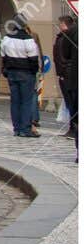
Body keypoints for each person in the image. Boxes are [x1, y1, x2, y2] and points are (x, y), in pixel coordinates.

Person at [0, 16, 43, 138]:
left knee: (15, 101)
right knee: (26, 102)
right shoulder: (28, 39)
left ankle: (17, 128)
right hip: (26, 73)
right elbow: (33, 59)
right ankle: (25, 129)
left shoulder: (6, 39)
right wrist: (34, 71)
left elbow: (4, 57)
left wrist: (6, 70)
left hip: (12, 73)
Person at [54, 15, 77, 155]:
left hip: (70, 76)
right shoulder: (65, 35)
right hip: (70, 74)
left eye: (61, 24)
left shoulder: (69, 34)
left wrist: (63, 71)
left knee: (73, 105)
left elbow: (65, 55)